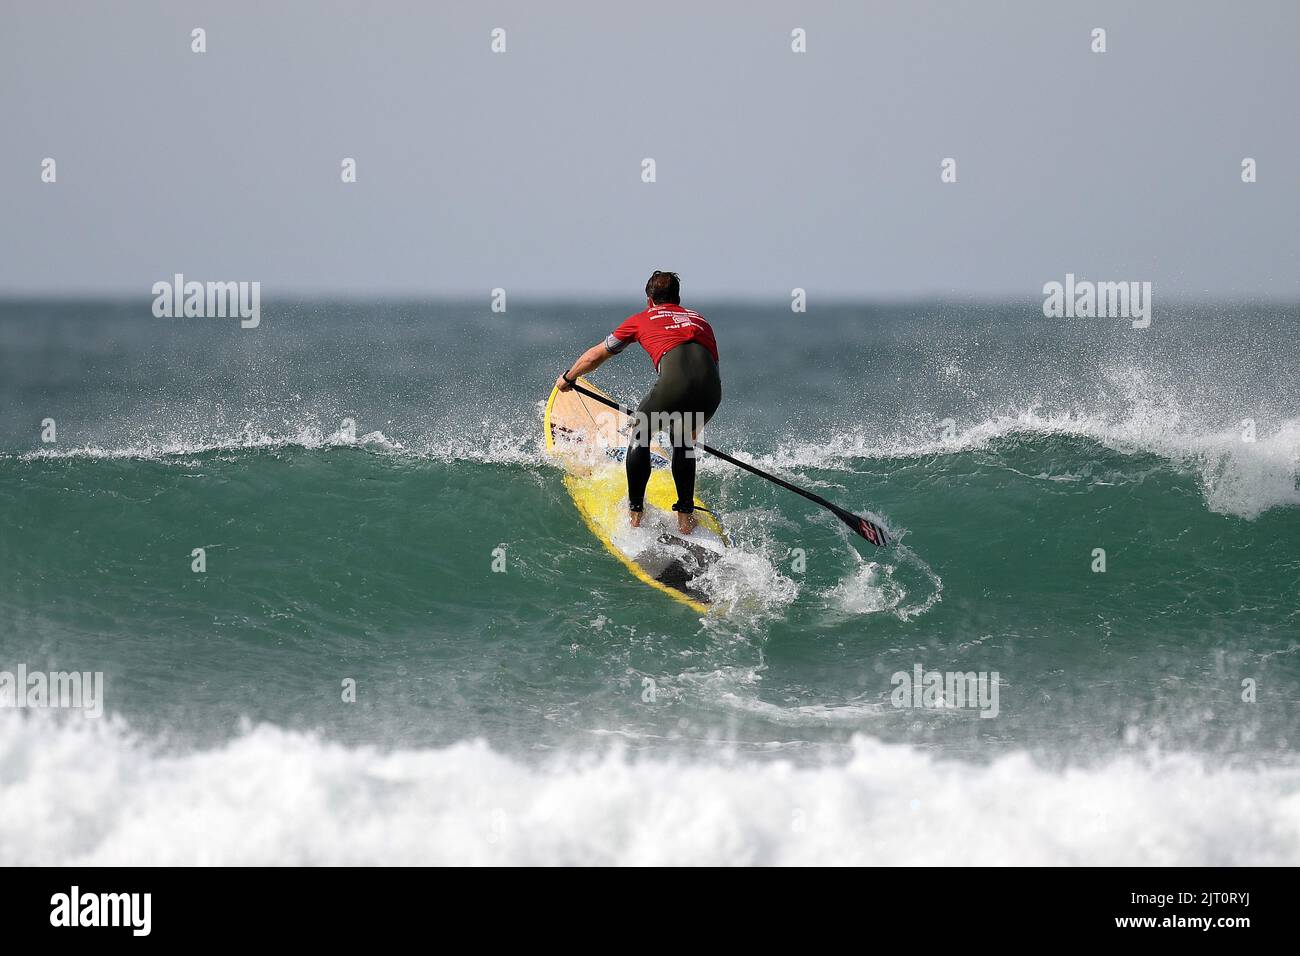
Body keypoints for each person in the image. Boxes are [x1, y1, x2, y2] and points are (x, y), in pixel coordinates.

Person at [555, 271, 722, 535]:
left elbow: (597, 355)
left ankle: (635, 515)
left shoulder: (642, 319)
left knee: (640, 435)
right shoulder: (701, 321)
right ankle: (685, 519)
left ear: (649, 300)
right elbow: (709, 369)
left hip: (673, 386)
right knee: (682, 442)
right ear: (678, 298)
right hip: (711, 391)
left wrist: (568, 377)